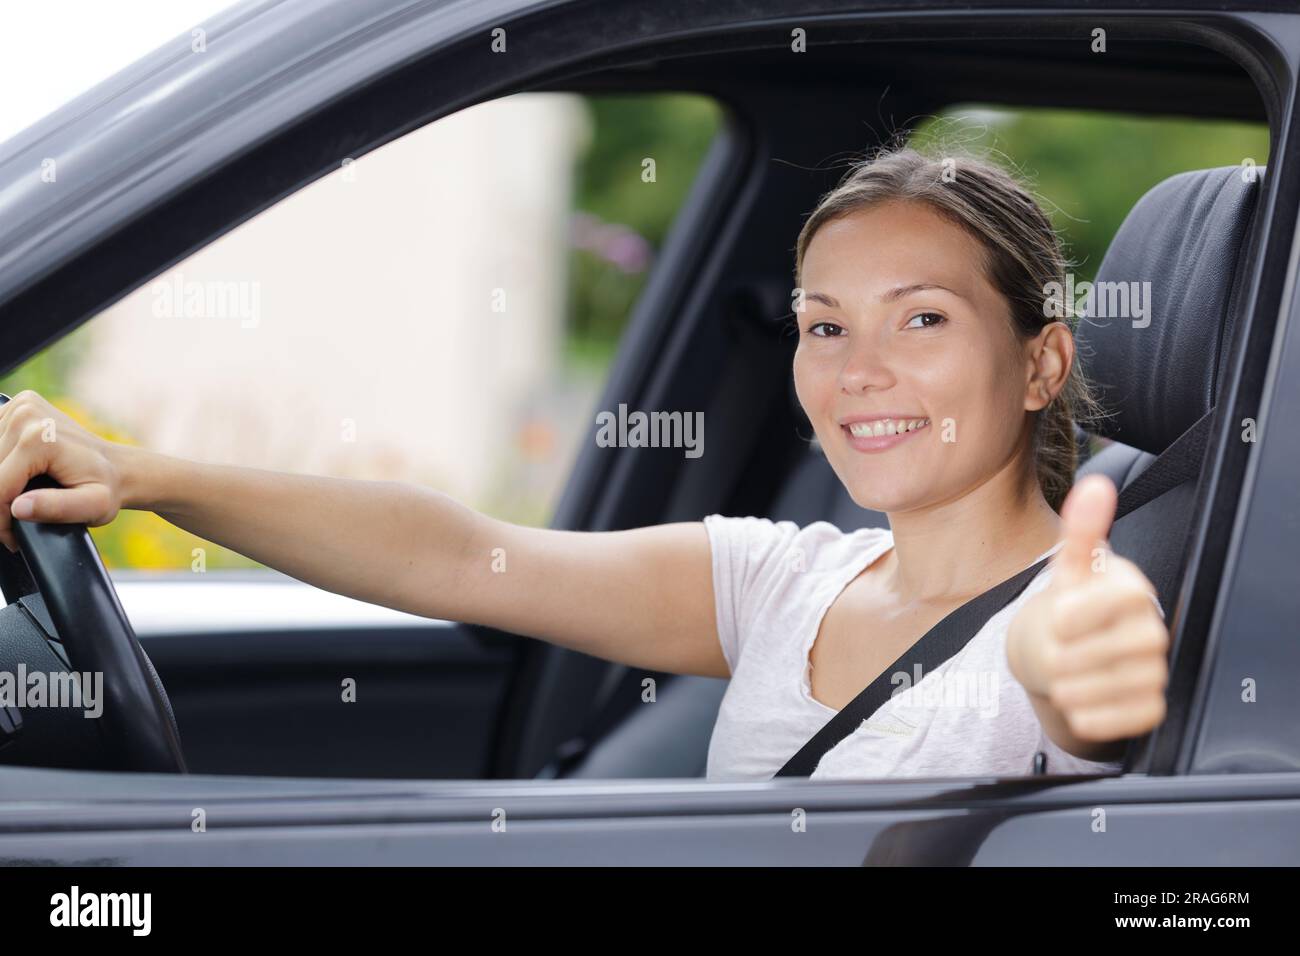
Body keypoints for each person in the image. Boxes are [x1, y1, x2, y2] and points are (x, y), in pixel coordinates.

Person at [0, 144, 1170, 782]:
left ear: (1038, 362)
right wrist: (143, 475)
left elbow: (1075, 681)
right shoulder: (786, 581)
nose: (857, 368)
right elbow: (468, 553)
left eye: (919, 320)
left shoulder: (1069, 609)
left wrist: (1082, 660)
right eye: (824, 324)